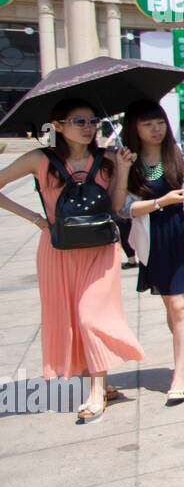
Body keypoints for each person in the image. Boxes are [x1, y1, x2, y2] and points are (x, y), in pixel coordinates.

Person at [0, 97, 144, 422]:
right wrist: (36, 219)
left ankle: (96, 391)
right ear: (59, 126)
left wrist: (121, 171)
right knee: (69, 319)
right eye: (79, 121)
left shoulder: (107, 158)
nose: (88, 127)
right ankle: (98, 383)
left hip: (100, 250)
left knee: (91, 316)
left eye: (92, 121)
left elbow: (116, 206)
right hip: (57, 251)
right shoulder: (40, 159)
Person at [118, 100, 184, 406]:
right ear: (134, 128)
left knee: (182, 306)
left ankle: (178, 376)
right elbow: (124, 209)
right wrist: (161, 201)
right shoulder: (128, 162)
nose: (156, 129)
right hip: (155, 238)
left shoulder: (183, 152)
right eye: (148, 124)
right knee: (172, 307)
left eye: (160, 122)